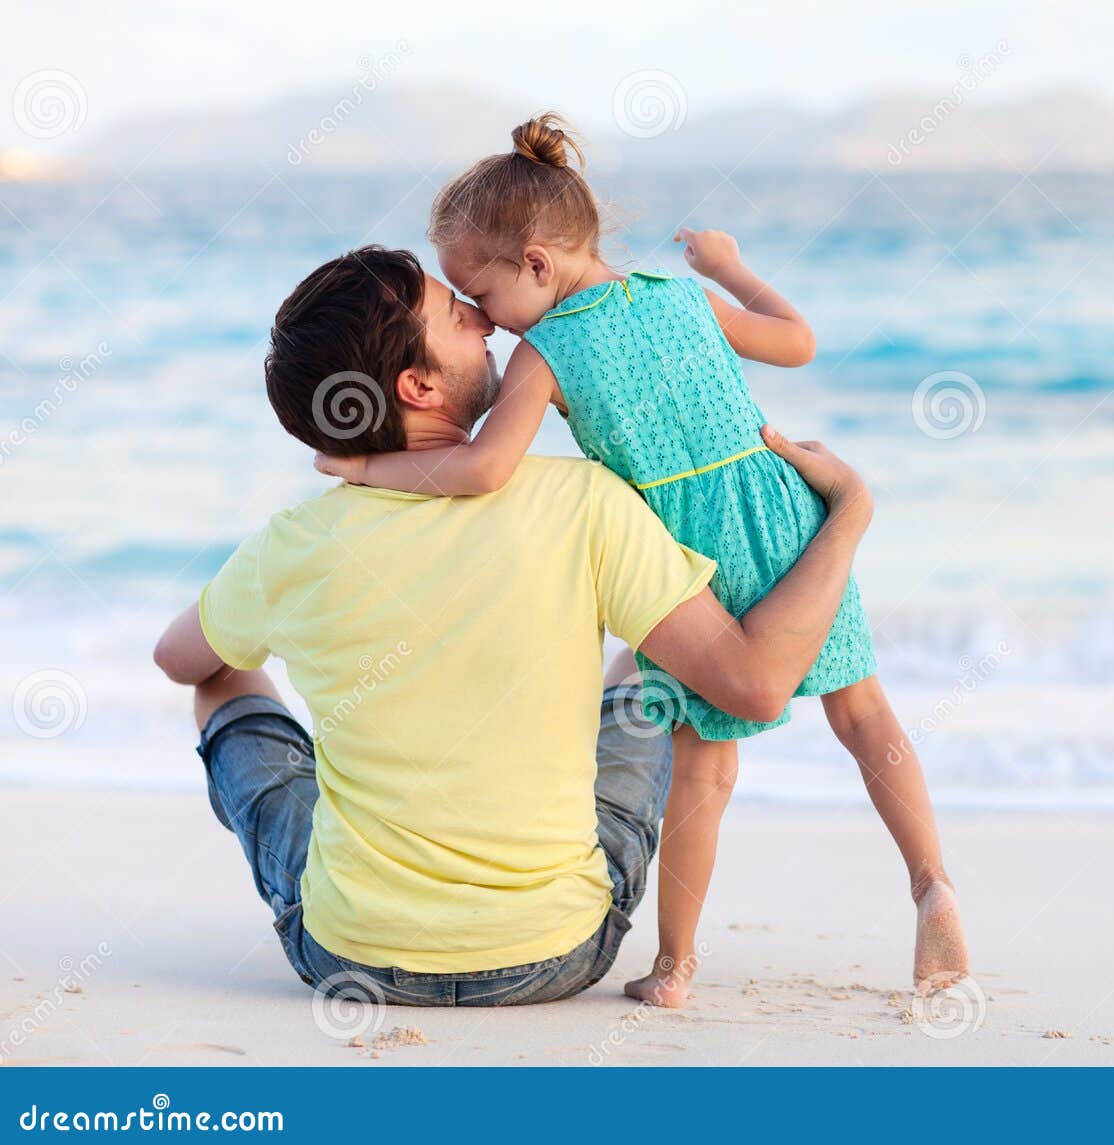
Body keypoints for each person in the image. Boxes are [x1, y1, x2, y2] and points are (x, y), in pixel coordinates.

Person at [314, 113, 969, 1005]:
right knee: (864, 716)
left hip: (683, 557)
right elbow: (798, 340)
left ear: (537, 264)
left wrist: (364, 462)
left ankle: (675, 966)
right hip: (786, 510)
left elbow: (483, 467)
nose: (490, 325)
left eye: (486, 298)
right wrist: (728, 265)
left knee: (703, 765)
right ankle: (931, 879)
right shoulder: (681, 295)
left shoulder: (545, 350)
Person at [153, 244, 874, 1007]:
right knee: (649, 661)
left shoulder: (291, 545)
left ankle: (376, 880)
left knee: (221, 681)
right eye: (455, 315)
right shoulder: (582, 501)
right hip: (561, 952)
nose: (485, 319)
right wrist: (850, 512)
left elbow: (177, 658)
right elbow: (758, 687)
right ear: (417, 383)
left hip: (355, 959)